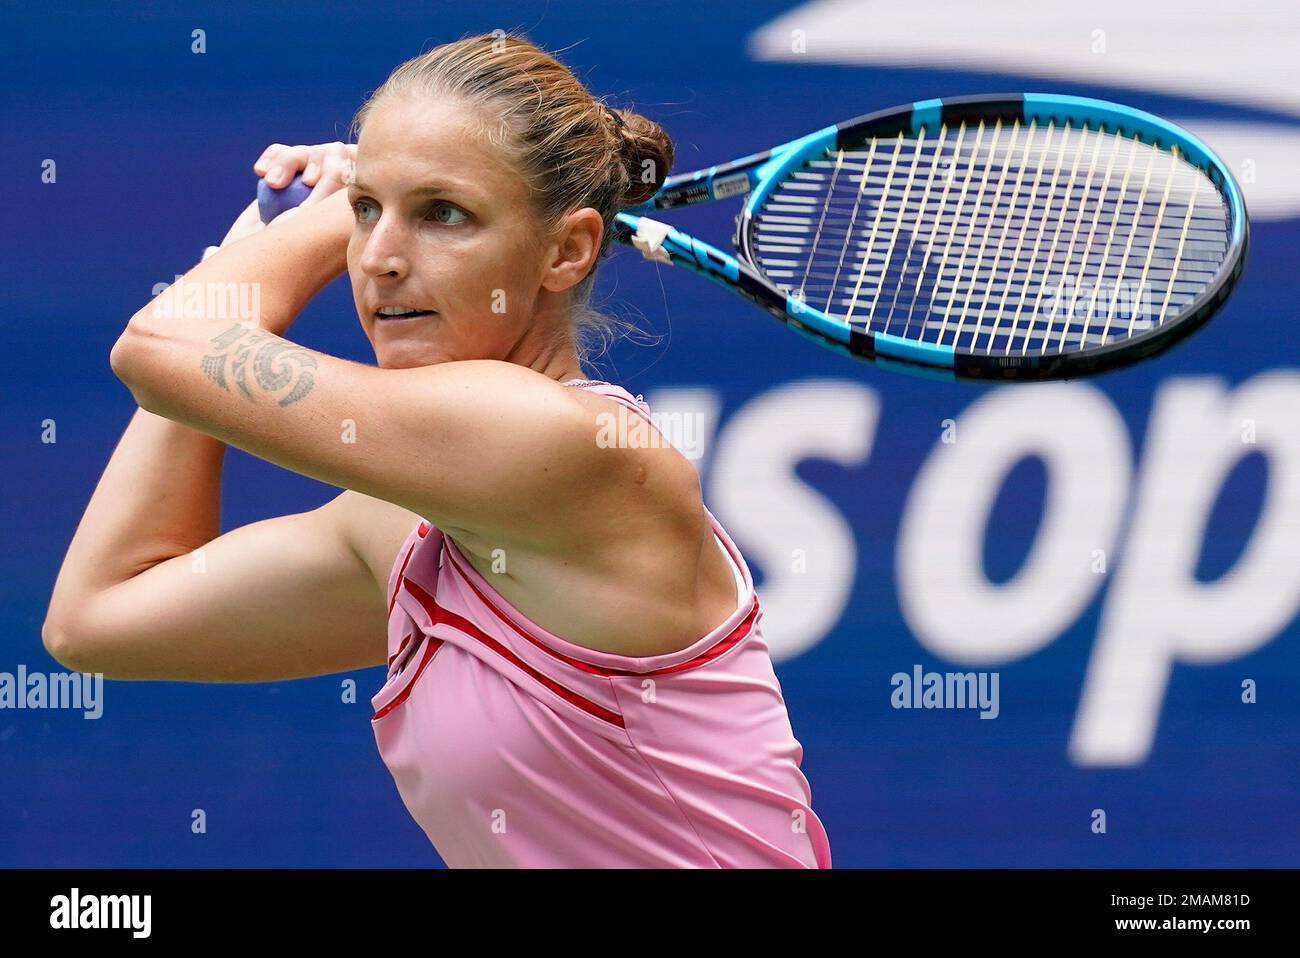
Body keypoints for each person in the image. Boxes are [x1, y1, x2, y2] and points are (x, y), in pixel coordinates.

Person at [42, 30, 832, 868]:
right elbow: (98, 620)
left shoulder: (558, 444)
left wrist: (293, 240)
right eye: (366, 213)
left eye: (441, 214)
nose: (378, 260)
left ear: (567, 250)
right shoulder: (404, 528)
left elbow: (157, 349)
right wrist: (241, 265)